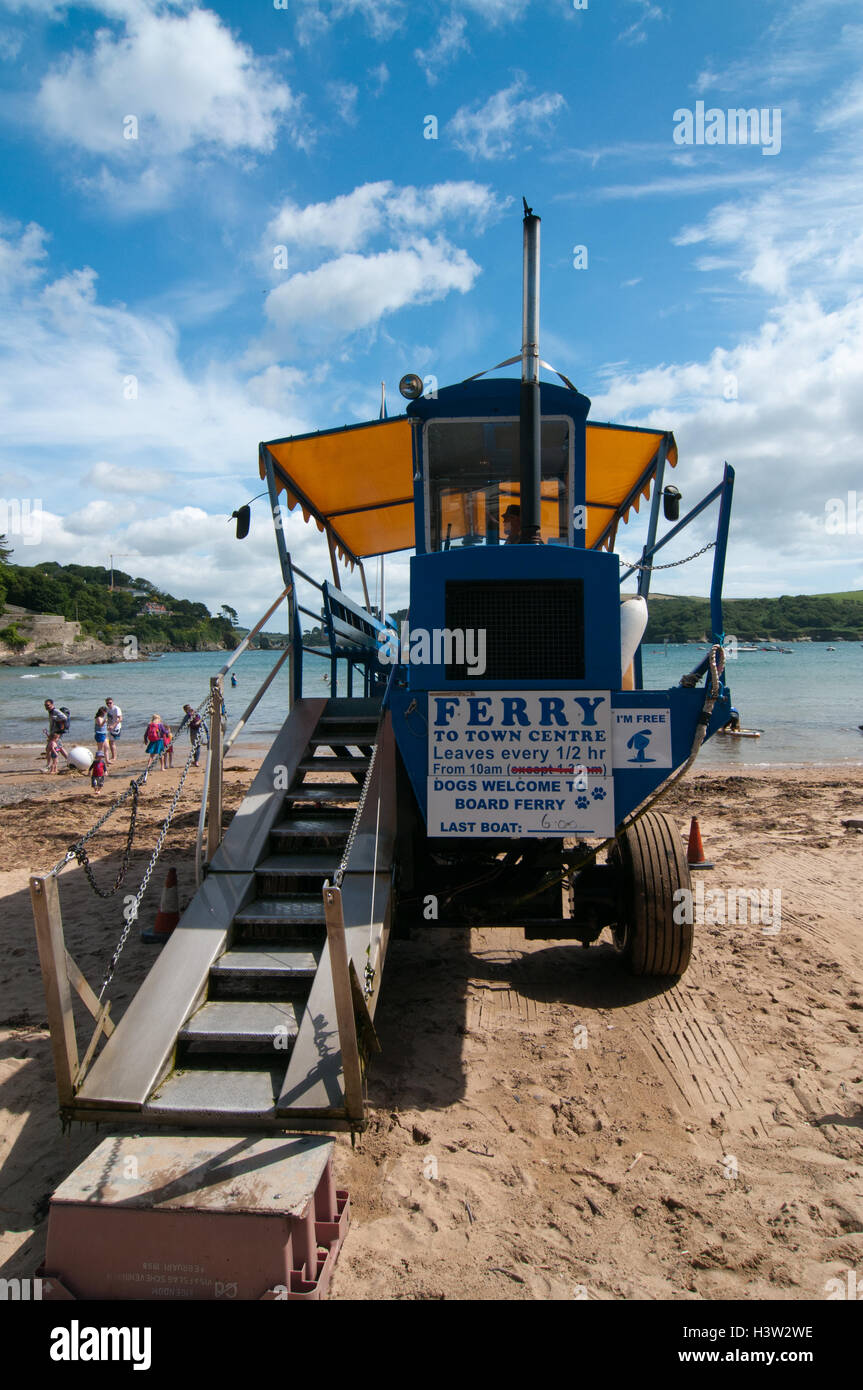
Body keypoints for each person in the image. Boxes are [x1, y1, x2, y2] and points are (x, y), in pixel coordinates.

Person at [105, 697, 122, 763]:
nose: (109, 704)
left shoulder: (116, 709)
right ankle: (113, 756)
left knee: (112, 742)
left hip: (116, 727)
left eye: (110, 703)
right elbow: (108, 718)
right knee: (110, 742)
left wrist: (113, 726)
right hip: (110, 727)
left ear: (113, 702)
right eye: (107, 703)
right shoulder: (108, 709)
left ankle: (114, 757)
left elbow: (120, 719)